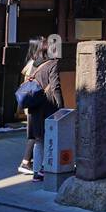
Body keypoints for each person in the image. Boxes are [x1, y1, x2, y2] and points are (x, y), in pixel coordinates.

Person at [25, 42, 64, 181]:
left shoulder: (35, 64)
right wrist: (61, 107)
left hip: (34, 106)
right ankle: (46, 168)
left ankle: (36, 172)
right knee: (50, 138)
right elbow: (55, 87)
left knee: (38, 140)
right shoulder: (52, 64)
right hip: (47, 106)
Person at [17, 37, 48, 175]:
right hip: (34, 102)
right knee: (35, 134)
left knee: (34, 134)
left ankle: (28, 162)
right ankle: (26, 162)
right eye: (44, 43)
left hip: (30, 101)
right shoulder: (36, 63)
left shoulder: (31, 62)